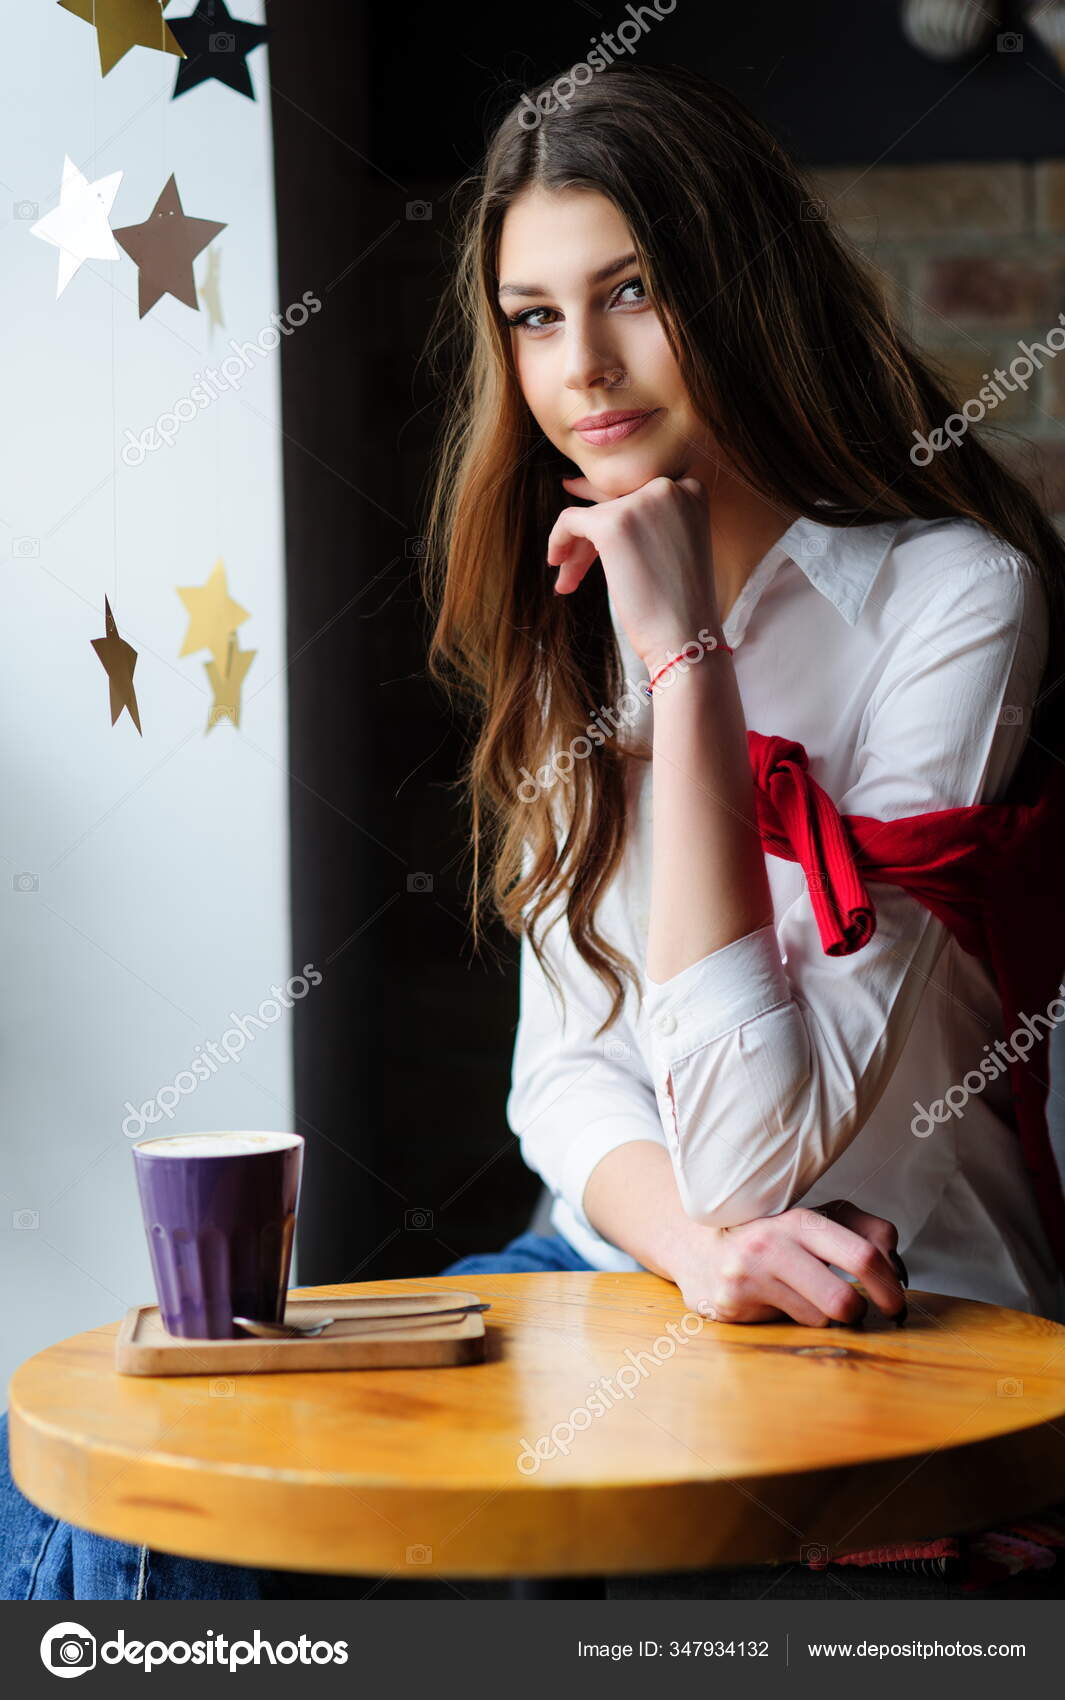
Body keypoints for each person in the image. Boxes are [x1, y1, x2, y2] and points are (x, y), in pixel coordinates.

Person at [6, 58, 1065, 1601]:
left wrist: (686, 666)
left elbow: (759, 1158)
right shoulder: (561, 608)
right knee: (119, 1520)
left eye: (630, 291)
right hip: (614, 1270)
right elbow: (561, 1075)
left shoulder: (949, 598)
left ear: (737, 286)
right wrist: (691, 1255)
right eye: (534, 315)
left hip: (898, 1317)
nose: (584, 366)